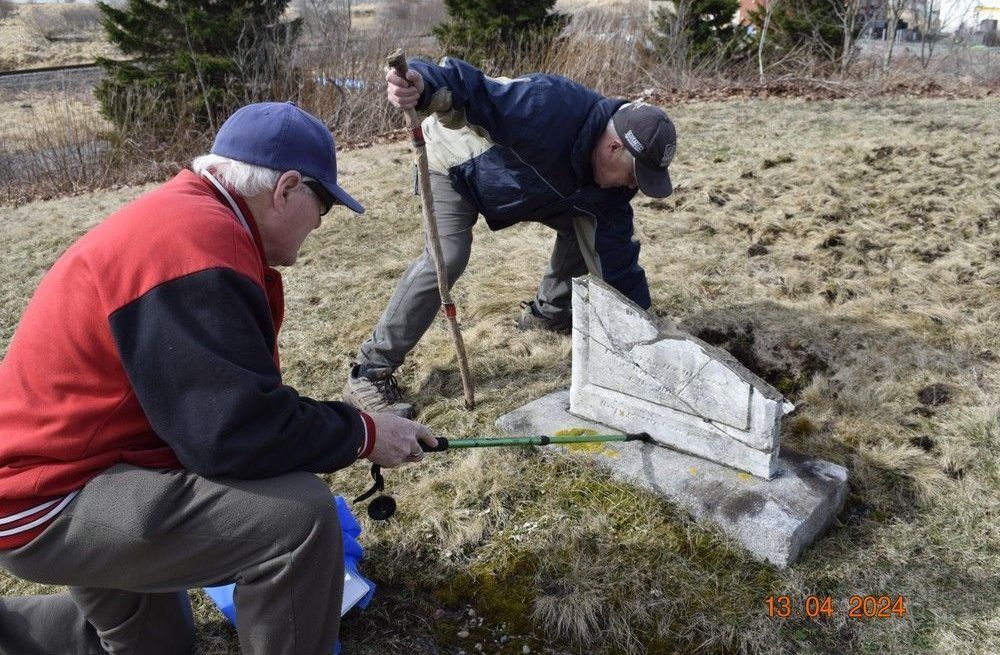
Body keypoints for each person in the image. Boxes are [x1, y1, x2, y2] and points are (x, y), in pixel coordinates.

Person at [0, 101, 435, 655]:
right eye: (322, 206)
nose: (321, 224)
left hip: (89, 465)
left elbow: (222, 410)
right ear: (286, 189)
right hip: (50, 495)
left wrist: (346, 430)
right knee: (298, 521)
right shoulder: (196, 248)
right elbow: (232, 435)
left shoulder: (187, 219)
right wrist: (365, 434)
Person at [343, 56, 678, 418]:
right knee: (448, 256)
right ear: (614, 148)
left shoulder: (612, 191)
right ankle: (370, 371)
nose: (633, 187)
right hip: (455, 167)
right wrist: (422, 84)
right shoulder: (546, 105)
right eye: (634, 176)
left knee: (587, 226)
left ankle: (548, 314)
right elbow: (471, 89)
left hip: (526, 187)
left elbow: (618, 265)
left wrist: (646, 342)